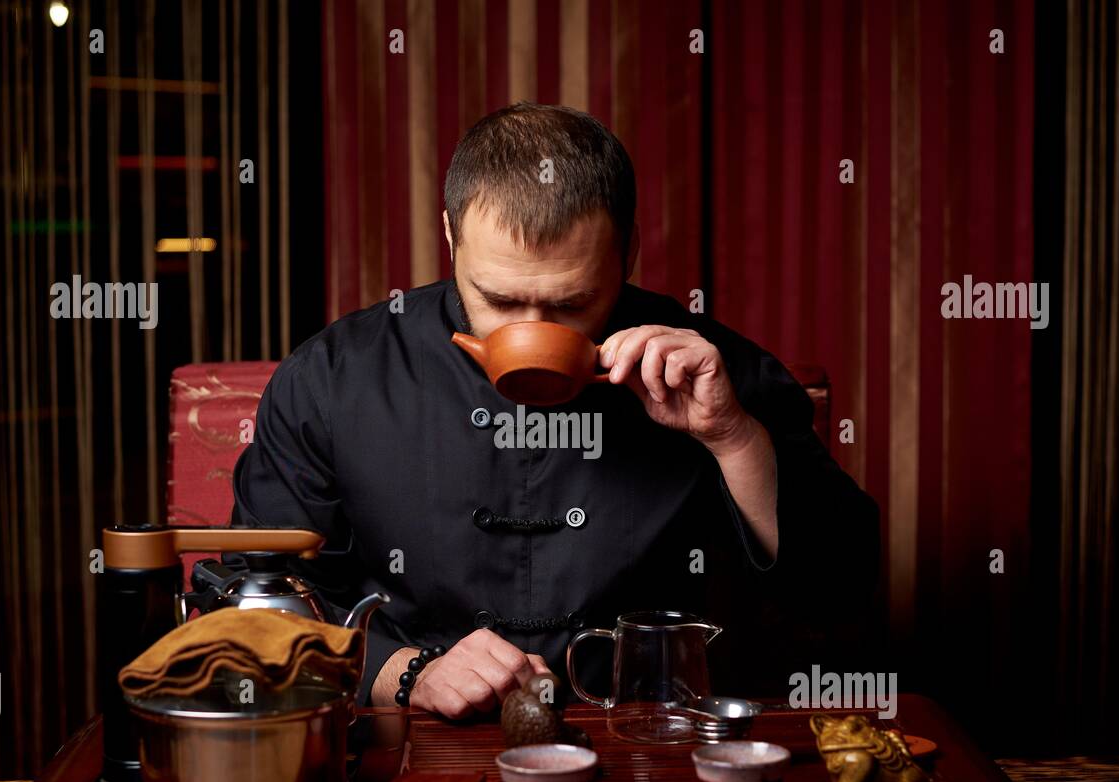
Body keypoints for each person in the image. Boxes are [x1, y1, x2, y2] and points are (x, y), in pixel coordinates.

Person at [232, 103, 879, 718]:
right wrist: (399, 671)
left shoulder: (718, 372)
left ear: (627, 256)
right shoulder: (333, 378)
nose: (533, 333)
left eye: (572, 305)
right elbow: (243, 601)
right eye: (500, 300)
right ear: (451, 234)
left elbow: (843, 590)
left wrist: (734, 436)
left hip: (647, 742)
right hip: (408, 744)